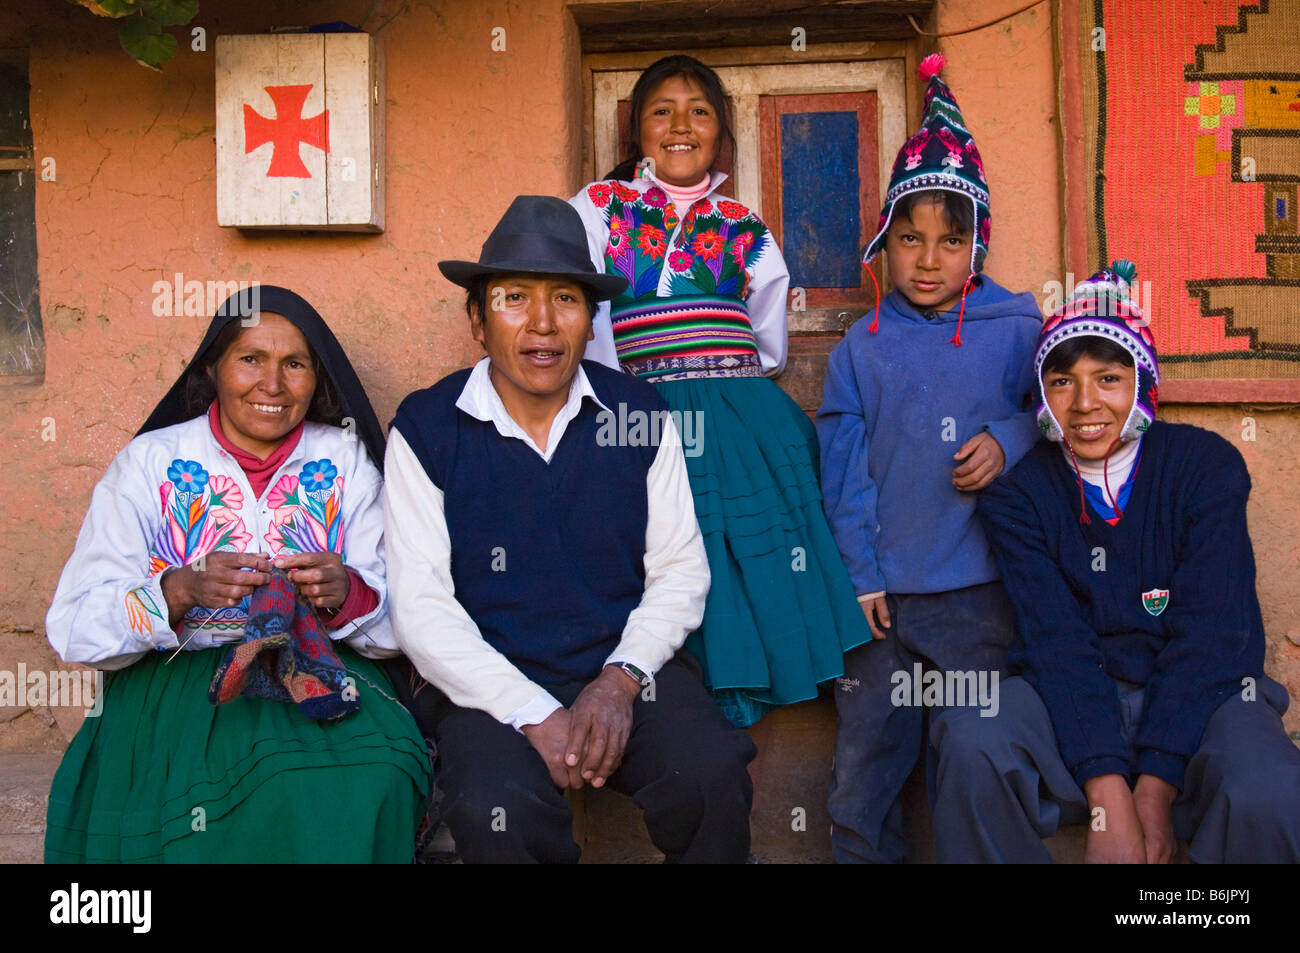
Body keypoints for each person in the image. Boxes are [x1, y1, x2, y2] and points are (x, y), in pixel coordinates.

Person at [383, 195, 757, 864]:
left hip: (620, 664)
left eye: (566, 299)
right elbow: (420, 608)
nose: (543, 323)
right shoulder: (427, 428)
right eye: (514, 298)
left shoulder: (637, 413)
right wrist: (534, 712)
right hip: (485, 681)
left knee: (709, 770)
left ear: (590, 322)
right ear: (476, 320)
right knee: (494, 806)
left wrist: (618, 681)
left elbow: (679, 569)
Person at [44, 286, 429, 863]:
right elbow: (74, 626)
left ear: (317, 378)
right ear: (211, 367)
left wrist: (347, 593)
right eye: (250, 359)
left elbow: (412, 621)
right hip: (174, 684)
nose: (272, 385)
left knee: (382, 769)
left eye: (294, 364)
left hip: (317, 675)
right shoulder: (149, 464)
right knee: (211, 800)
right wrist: (177, 590)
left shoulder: (345, 461)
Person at [936, 261, 1300, 863]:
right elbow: (1055, 641)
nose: (1084, 404)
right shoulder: (1019, 495)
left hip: (1202, 697)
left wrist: (1153, 790)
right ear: (1042, 393)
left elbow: (1215, 635)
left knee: (1270, 785)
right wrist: (1108, 793)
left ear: (1143, 380)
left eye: (1108, 378)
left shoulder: (1204, 467)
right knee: (970, 735)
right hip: (1071, 699)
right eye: (1062, 381)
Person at [568, 54, 869, 730]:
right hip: (639, 414)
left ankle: (735, 762)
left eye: (699, 111)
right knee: (671, 569)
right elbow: (581, 314)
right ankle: (684, 739)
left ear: (719, 134)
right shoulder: (599, 208)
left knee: (743, 574)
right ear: (636, 133)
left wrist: (714, 379)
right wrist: (624, 401)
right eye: (661, 111)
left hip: (740, 420)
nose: (681, 125)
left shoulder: (741, 224)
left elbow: (767, 340)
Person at [815, 54, 1044, 863]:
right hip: (880, 604)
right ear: (886, 238)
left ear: (976, 243)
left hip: (978, 601)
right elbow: (842, 471)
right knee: (862, 773)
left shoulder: (1017, 329)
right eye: (909, 238)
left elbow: (1051, 418)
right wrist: (860, 574)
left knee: (968, 761)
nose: (927, 259)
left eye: (951, 241)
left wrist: (1009, 440)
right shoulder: (860, 346)